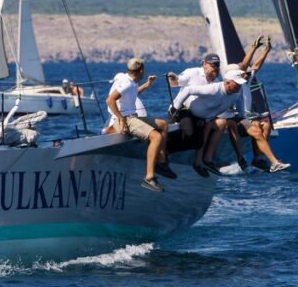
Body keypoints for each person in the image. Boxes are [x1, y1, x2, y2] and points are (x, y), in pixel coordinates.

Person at [104, 57, 176, 192]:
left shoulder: (131, 81)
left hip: (133, 117)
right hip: (126, 119)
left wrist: (148, 84)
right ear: (141, 70)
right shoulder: (126, 83)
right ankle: (149, 178)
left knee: (163, 125)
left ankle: (161, 162)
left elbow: (132, 93)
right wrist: (121, 119)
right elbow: (110, 100)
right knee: (156, 137)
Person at [224, 36, 289, 173]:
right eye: (243, 73)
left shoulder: (245, 80)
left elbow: (256, 65)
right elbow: (243, 64)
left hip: (246, 117)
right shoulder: (231, 83)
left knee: (267, 124)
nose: (246, 74)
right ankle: (269, 161)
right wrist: (254, 47)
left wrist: (266, 50)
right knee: (256, 125)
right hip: (235, 119)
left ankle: (258, 158)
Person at [171, 66, 248, 177]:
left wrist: (242, 117)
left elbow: (239, 105)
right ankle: (169, 154)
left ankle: (204, 161)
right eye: (237, 84)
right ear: (227, 82)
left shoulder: (235, 95)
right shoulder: (214, 89)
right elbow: (189, 90)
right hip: (187, 111)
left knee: (211, 125)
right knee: (193, 135)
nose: (239, 87)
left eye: (240, 84)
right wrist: (175, 107)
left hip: (205, 118)